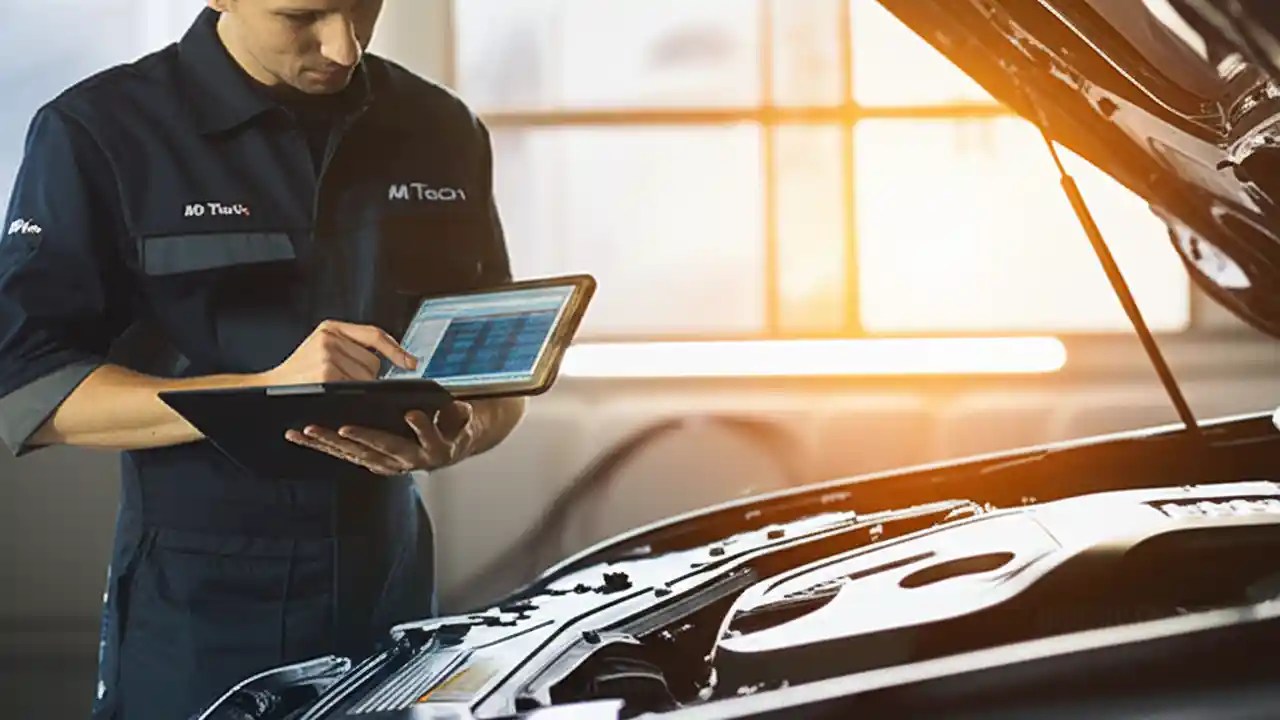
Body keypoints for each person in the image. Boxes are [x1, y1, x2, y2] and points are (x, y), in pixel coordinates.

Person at [0, 1, 526, 718]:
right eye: (300, 15)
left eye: (364, 6)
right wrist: (264, 391)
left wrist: (465, 432)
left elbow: (502, 375)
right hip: (197, 602)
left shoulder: (440, 128)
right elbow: (28, 385)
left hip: (393, 589)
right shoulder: (100, 132)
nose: (344, 47)